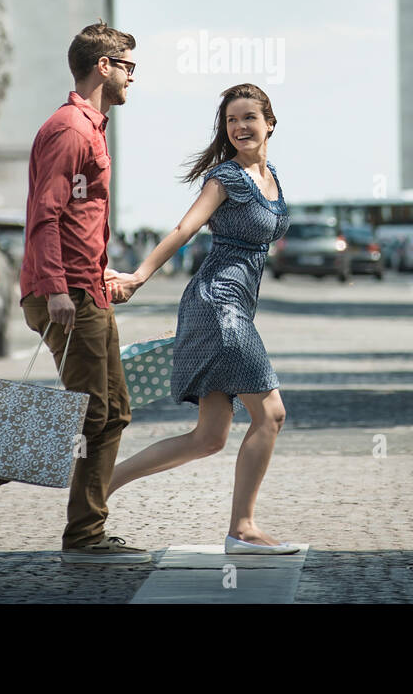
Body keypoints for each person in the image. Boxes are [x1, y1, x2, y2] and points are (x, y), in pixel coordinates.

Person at [0, 22, 149, 564]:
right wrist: (58, 287)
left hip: (86, 289)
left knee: (111, 413)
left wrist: (100, 270)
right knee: (90, 414)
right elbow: (45, 215)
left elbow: (77, 219)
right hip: (67, 296)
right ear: (103, 66)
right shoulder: (70, 130)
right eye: (128, 65)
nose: (133, 76)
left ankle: (86, 532)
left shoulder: (89, 128)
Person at [105, 83, 297, 555]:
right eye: (232, 120)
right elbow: (184, 229)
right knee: (271, 414)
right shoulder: (226, 178)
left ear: (270, 123)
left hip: (233, 306)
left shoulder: (271, 175)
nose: (240, 127)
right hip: (218, 304)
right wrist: (139, 276)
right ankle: (243, 529)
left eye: (249, 117)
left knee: (209, 438)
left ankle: (96, 487)